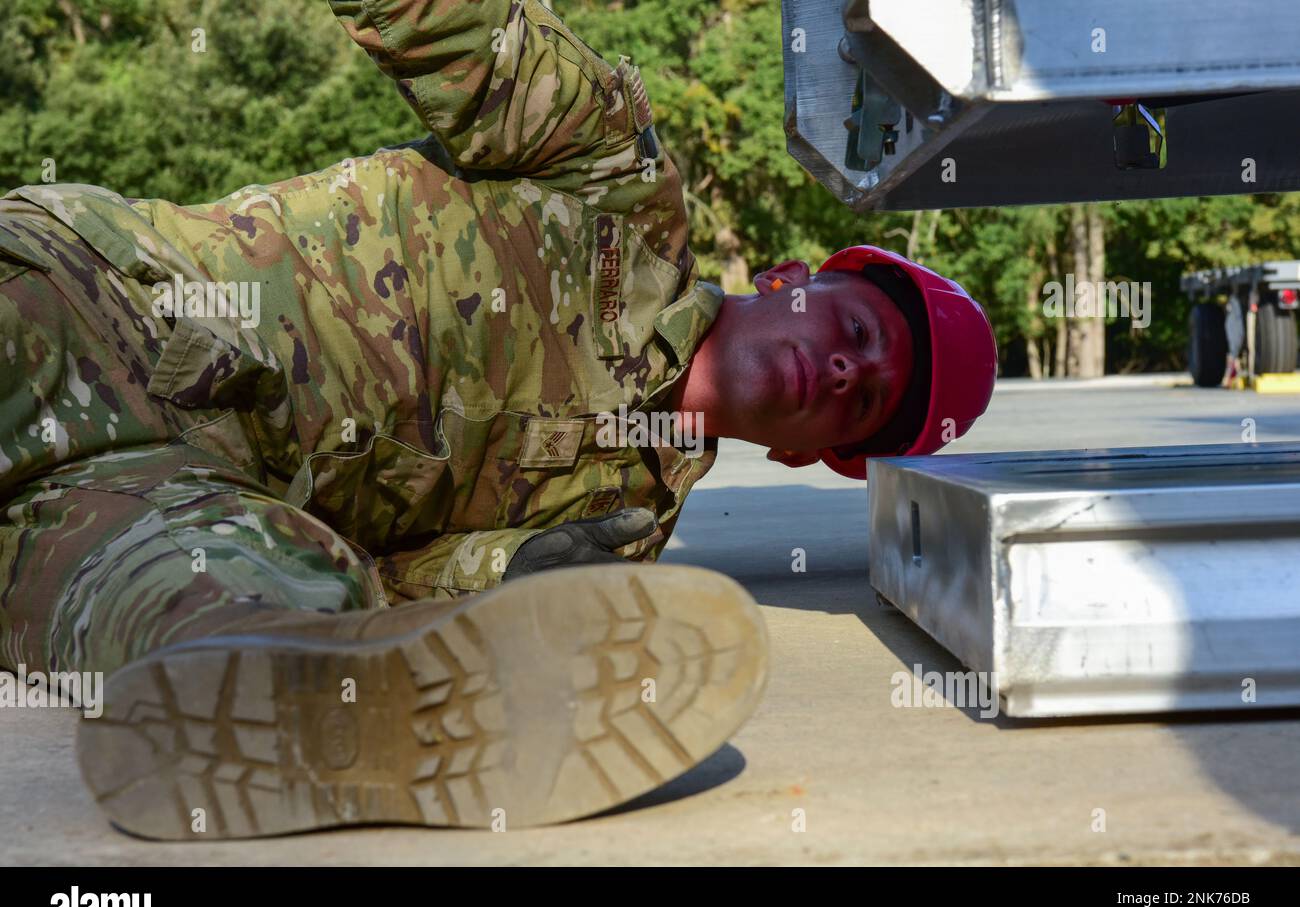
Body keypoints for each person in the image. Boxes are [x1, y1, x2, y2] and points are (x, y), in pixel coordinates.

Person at [0, 0, 996, 839]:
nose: (840, 366)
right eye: (857, 330)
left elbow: (395, 585)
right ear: (792, 281)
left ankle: (267, 699)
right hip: (101, 308)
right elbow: (443, 27)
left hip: (147, 503)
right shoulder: (614, 178)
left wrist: (494, 581)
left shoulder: (603, 548)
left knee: (272, 615)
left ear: (802, 450)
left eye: (860, 397)